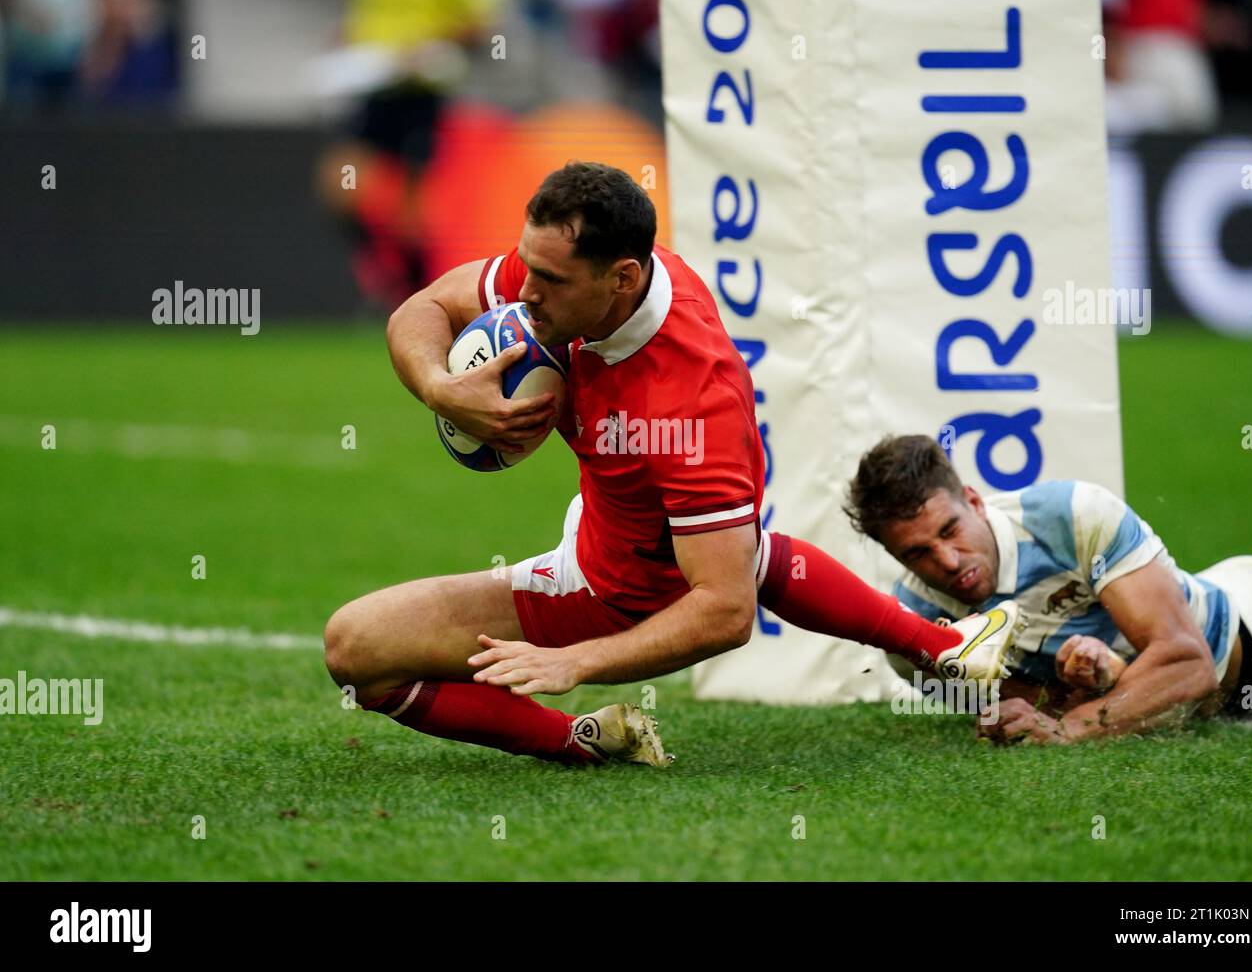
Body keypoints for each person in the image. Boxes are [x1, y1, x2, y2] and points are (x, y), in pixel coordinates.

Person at [323, 162, 1022, 767]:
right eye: (524, 268)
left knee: (355, 651)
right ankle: (945, 643)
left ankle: (578, 741)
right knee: (744, 548)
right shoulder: (567, 280)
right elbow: (424, 307)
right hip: (623, 530)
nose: (523, 293)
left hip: (618, 594)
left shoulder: (690, 402)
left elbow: (723, 613)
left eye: (548, 280)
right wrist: (441, 389)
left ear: (622, 278)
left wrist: (576, 662)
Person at [845, 434, 1252, 744]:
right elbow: (1043, 711)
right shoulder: (915, 639)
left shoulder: (1073, 514)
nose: (947, 560)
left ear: (975, 501)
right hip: (1208, 708)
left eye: (950, 530)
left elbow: (1188, 663)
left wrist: (1069, 731)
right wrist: (1091, 685)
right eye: (917, 553)